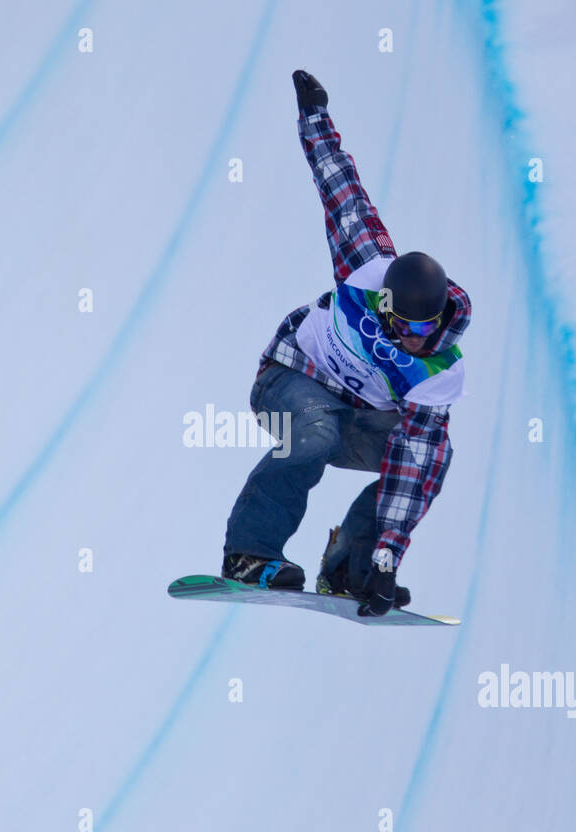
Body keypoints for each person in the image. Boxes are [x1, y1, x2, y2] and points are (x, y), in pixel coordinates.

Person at [221, 70, 472, 617]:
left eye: (422, 329)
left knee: (433, 460)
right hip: (292, 378)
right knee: (312, 432)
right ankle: (249, 552)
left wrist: (386, 557)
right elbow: (341, 190)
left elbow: (413, 465)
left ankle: (349, 567)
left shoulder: (437, 374)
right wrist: (315, 117)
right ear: (383, 299)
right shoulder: (366, 264)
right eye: (398, 321)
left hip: (357, 420)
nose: (408, 337)